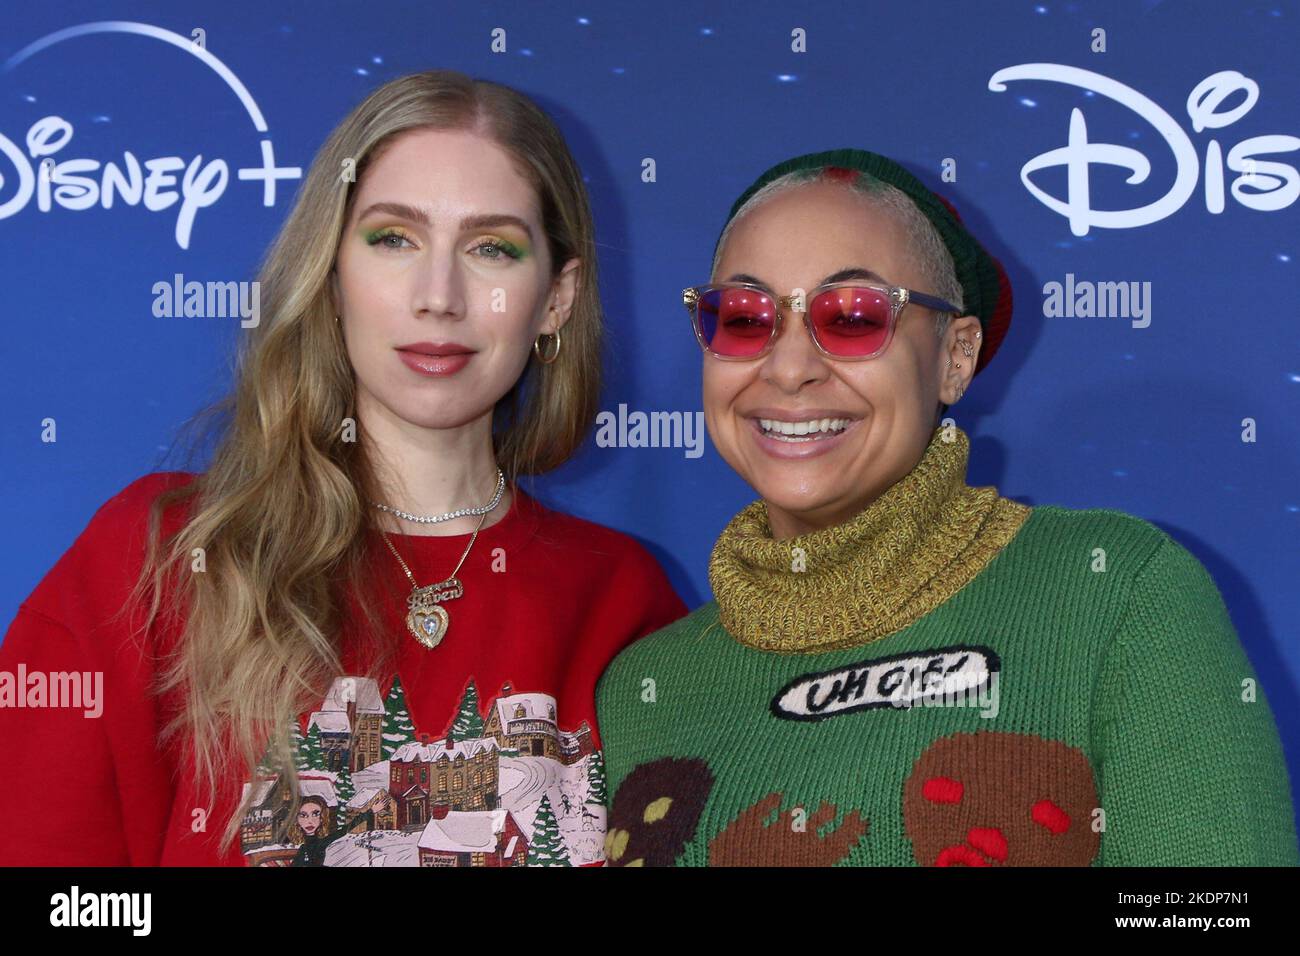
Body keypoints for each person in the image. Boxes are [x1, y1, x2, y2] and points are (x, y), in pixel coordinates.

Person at [0, 70, 686, 867]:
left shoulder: (625, 601)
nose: (439, 295)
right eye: (394, 238)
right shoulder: (157, 560)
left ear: (555, 300)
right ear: (331, 274)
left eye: (491, 248)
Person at [595, 148, 1298, 867]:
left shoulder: (1118, 592)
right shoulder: (642, 690)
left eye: (853, 316)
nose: (789, 366)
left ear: (956, 357)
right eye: (745, 317)